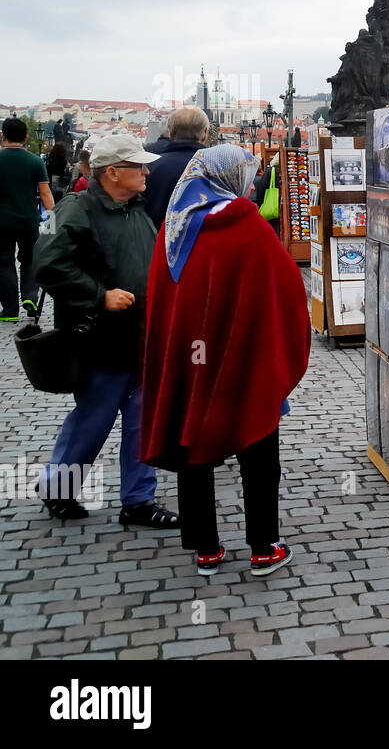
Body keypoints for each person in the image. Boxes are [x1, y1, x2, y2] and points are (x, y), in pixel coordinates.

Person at [141, 145, 309, 577]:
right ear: (228, 176)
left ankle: (206, 548)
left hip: (192, 358)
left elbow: (164, 299)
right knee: (258, 447)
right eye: (247, 173)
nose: (253, 182)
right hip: (245, 355)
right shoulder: (247, 222)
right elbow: (287, 284)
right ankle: (263, 547)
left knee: (194, 446)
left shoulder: (173, 227)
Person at [32, 134, 179, 526]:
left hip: (141, 336)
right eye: (138, 166)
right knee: (92, 420)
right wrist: (99, 296)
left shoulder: (135, 209)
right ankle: (57, 488)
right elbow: (46, 264)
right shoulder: (73, 208)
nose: (147, 172)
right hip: (98, 337)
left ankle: (139, 500)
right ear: (112, 172)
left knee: (141, 420)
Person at [1, 117, 55, 322]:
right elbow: (45, 193)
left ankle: (9, 310)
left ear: (3, 136)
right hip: (28, 220)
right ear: (25, 137)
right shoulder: (35, 161)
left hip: (2, 223)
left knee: (3, 262)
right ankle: (30, 297)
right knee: (30, 260)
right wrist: (52, 223)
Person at [141, 107, 209, 229]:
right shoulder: (216, 165)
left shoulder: (151, 166)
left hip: (160, 240)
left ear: (171, 133)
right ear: (205, 133)